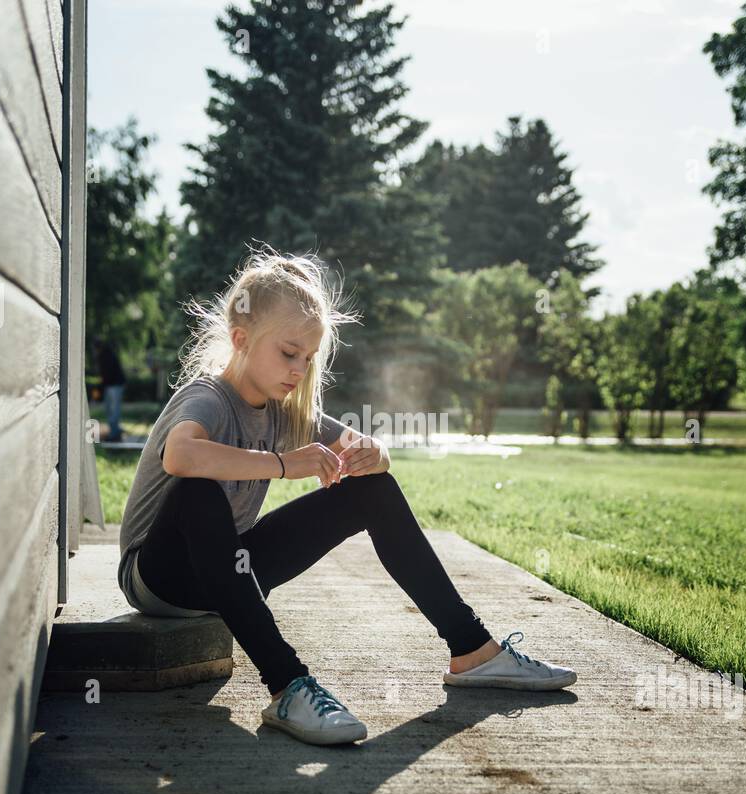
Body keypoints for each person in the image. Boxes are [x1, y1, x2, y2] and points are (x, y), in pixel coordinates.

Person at [115, 246, 575, 747]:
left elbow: (372, 452)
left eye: (308, 358)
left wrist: (371, 456)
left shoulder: (283, 411)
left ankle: (473, 652)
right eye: (288, 353)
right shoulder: (207, 397)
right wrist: (286, 465)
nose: (298, 369)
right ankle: (288, 686)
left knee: (373, 489)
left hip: (230, 569)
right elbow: (182, 457)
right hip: (158, 577)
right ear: (241, 340)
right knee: (196, 492)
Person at [93, 338, 127, 442]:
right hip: (111, 385)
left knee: (113, 409)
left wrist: (99, 391)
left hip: (115, 385)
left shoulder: (105, 356)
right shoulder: (104, 355)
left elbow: (106, 375)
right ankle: (114, 431)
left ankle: (115, 434)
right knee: (110, 409)